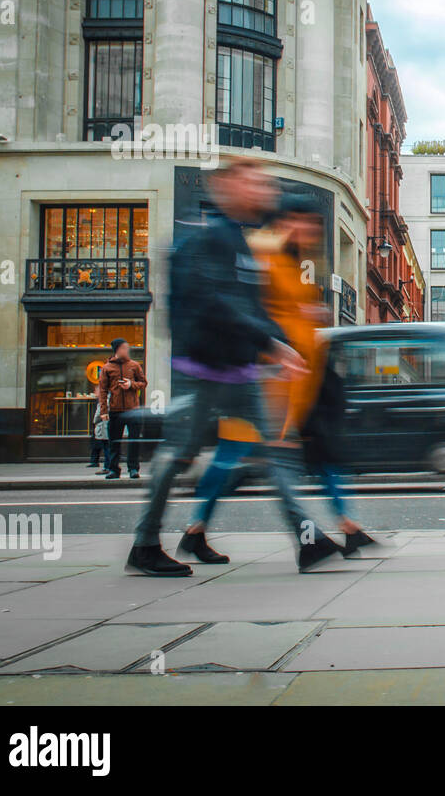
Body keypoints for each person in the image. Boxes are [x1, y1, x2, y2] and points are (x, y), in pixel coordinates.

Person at [126, 157, 344, 577]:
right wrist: (272, 345)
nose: (265, 191)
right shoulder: (206, 237)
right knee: (179, 455)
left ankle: (308, 540)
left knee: (278, 453)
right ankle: (146, 542)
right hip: (205, 370)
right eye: (255, 183)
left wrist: (277, 345)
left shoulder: (240, 241)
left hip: (241, 371)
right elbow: (214, 302)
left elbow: (252, 306)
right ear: (226, 187)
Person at [179, 194, 375, 562]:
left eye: (317, 226)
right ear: (289, 220)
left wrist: (309, 315)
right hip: (265, 380)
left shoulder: (291, 259)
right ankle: (310, 539)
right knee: (244, 457)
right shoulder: (263, 252)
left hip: (294, 381)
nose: (314, 232)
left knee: (246, 457)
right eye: (308, 222)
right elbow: (252, 312)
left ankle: (197, 530)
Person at [97, 338, 146, 479]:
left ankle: (133, 469)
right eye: (124, 348)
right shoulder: (107, 368)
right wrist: (103, 411)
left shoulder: (134, 365)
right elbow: (103, 391)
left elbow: (143, 383)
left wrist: (131, 384)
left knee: (134, 441)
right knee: (114, 442)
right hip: (115, 410)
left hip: (133, 409)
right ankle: (114, 469)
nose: (127, 350)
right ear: (117, 349)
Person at [89, 400, 109, 474]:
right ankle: (110, 466)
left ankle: (107, 467)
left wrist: (95, 421)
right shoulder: (114, 399)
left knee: (106, 447)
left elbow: (97, 415)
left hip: (103, 427)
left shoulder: (104, 401)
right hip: (109, 426)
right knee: (108, 447)